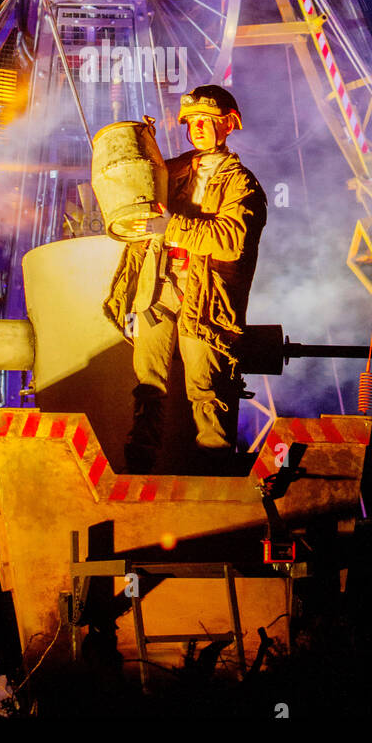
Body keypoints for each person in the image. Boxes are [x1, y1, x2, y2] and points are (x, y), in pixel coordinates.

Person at [104, 85, 267, 472]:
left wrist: (171, 226)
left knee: (206, 388)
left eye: (206, 121)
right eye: (191, 122)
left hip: (205, 298)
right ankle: (138, 469)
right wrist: (141, 147)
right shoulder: (173, 170)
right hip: (157, 289)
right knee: (148, 386)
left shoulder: (242, 184)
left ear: (228, 124)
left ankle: (214, 473)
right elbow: (138, 202)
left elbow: (231, 241)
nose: (196, 128)